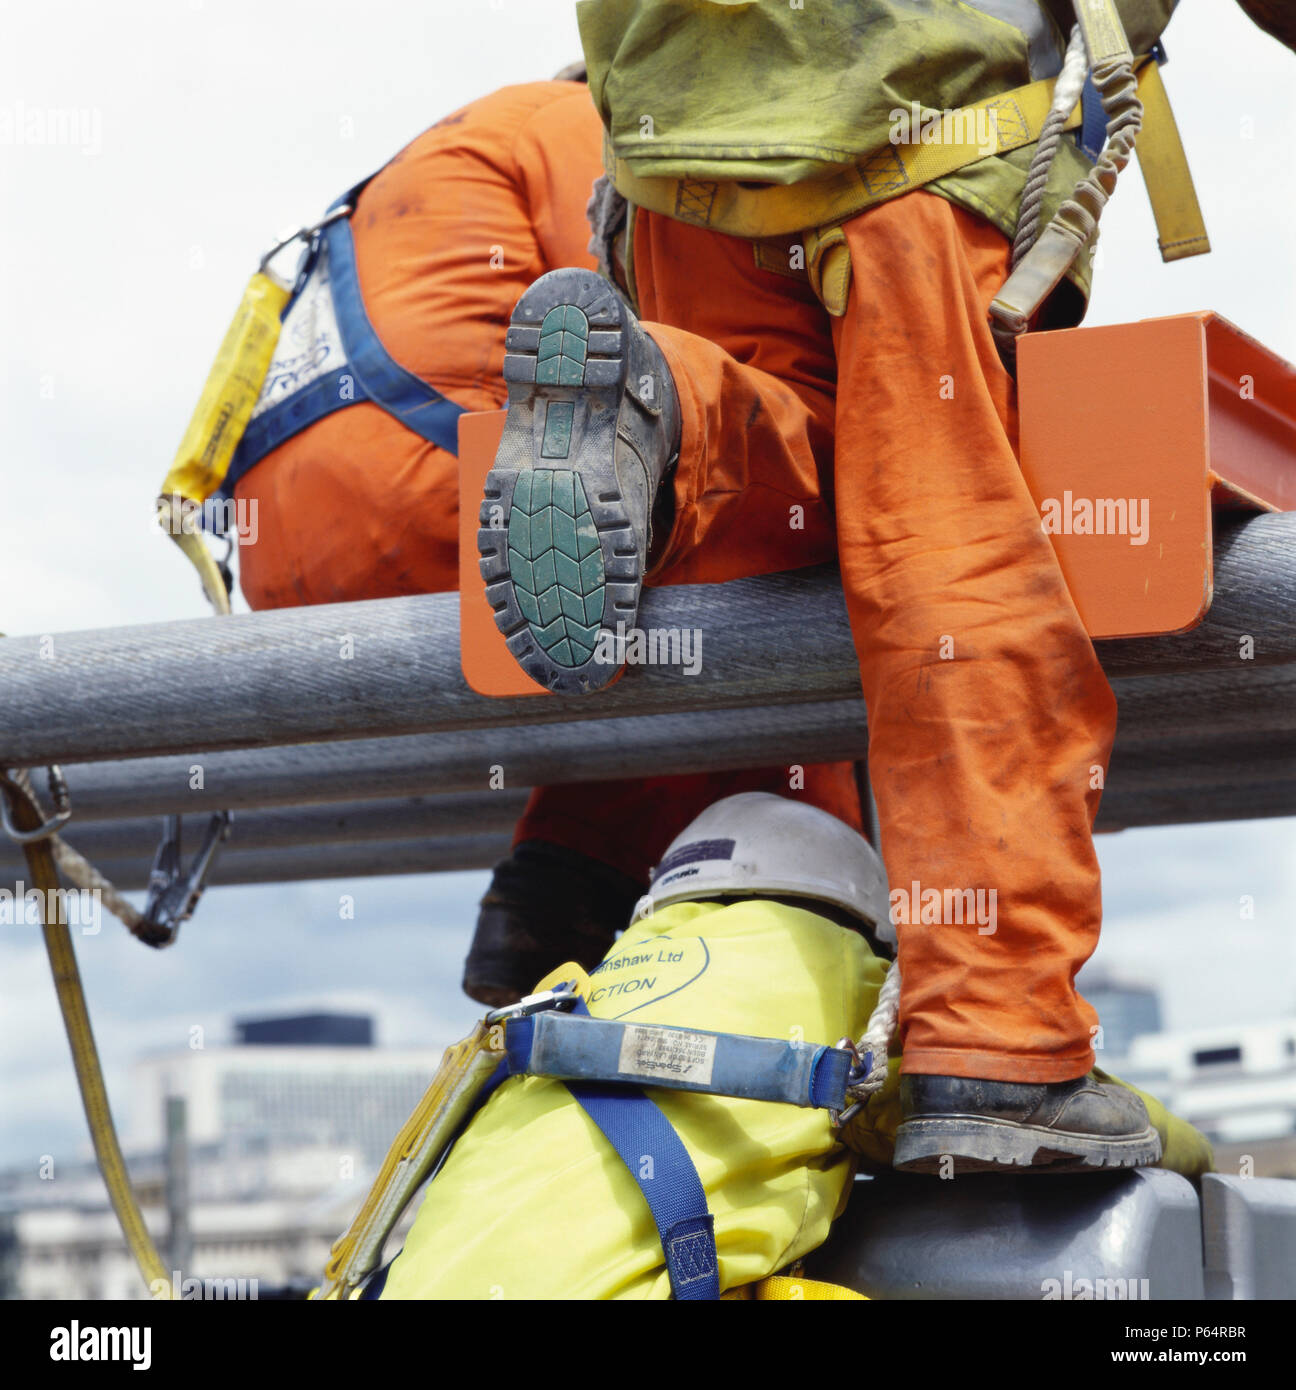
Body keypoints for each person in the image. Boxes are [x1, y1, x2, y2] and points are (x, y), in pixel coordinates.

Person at [479, 2, 1199, 1172]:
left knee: (809, 472)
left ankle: (675, 400)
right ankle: (996, 1044)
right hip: (914, 153)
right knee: (952, 574)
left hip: (682, 180)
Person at [221, 74, 865, 1006]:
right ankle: (821, 925)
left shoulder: (414, 171)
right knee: (796, 523)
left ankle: (555, 897)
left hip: (280, 560)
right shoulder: (581, 125)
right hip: (441, 487)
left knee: (632, 581)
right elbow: (627, 334)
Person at [374, 794, 1212, 1299]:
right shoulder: (846, 978)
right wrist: (1198, 1155)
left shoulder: (570, 1000)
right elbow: (1023, 1097)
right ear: (858, 910)